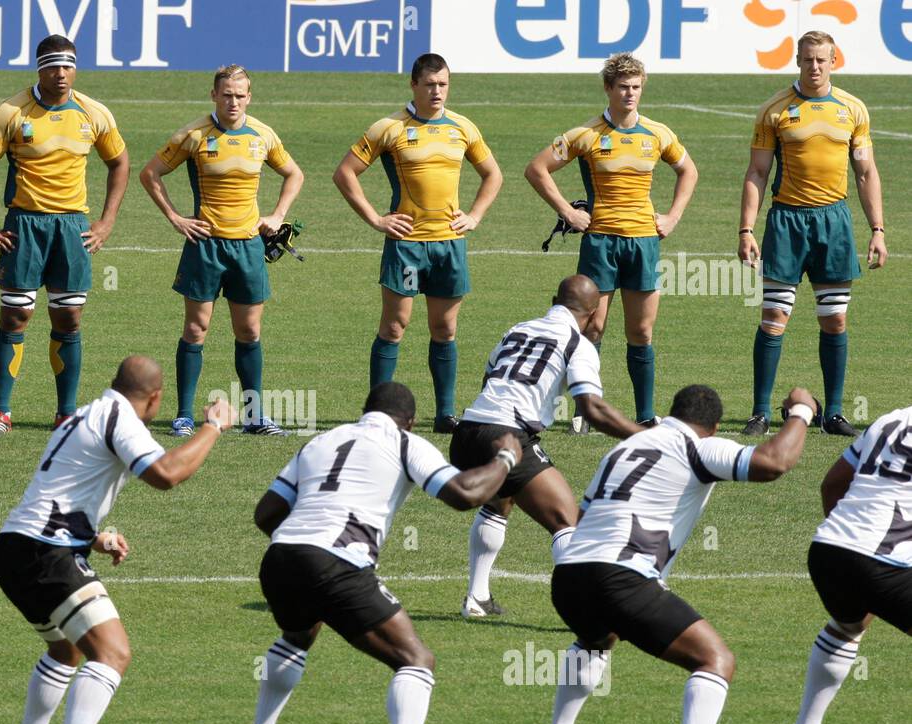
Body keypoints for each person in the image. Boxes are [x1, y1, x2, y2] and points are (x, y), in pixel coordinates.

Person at [243, 381, 522, 724]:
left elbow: (266, 514)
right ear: (408, 420)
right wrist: (505, 458)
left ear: (364, 409)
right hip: (335, 561)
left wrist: (305, 541)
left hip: (280, 558)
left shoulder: (322, 440)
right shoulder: (406, 442)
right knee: (416, 659)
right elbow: (465, 494)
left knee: (299, 634)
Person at [541, 384, 811, 724]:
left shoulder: (626, 447)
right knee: (715, 660)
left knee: (597, 637)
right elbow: (774, 462)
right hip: (621, 575)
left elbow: (584, 513)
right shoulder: (699, 446)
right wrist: (802, 413)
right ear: (714, 426)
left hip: (570, 575)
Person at [0, 356, 234, 724]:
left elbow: (62, 485)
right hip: (45, 553)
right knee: (113, 652)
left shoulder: (88, 412)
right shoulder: (121, 418)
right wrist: (212, 427)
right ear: (156, 397)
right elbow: (166, 476)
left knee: (65, 650)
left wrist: (94, 537)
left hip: (15, 546)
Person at [0, 34, 129, 436]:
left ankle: (66, 413)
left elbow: (120, 162)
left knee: (69, 317)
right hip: (24, 225)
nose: (61, 74)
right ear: (39, 68)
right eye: (53, 66)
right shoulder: (10, 111)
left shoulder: (93, 113)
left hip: (73, 227)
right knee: (16, 314)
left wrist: (106, 222)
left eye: (68, 65)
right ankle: (1, 411)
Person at [525, 52, 697, 429]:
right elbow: (536, 169)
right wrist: (568, 213)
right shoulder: (585, 134)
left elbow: (688, 170)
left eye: (636, 87)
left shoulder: (658, 134)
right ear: (608, 88)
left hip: (643, 243)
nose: (630, 94)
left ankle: (646, 414)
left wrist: (673, 216)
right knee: (593, 328)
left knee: (641, 331)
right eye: (622, 87)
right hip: (600, 242)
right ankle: (585, 411)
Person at [453, 275, 641, 619]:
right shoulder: (577, 343)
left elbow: (489, 379)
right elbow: (592, 408)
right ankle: (585, 613)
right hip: (506, 434)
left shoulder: (518, 329)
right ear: (595, 311)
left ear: (554, 298)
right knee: (568, 521)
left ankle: (477, 599)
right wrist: (639, 435)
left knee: (501, 501)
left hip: (468, 431)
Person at [333, 53, 502, 433]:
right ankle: (376, 414)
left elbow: (493, 174)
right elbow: (344, 173)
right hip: (407, 245)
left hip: (449, 246)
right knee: (395, 326)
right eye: (429, 84)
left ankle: (445, 414)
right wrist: (377, 218)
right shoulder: (389, 128)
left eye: (443, 84)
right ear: (414, 85)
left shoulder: (462, 128)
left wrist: (473, 216)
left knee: (445, 330)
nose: (437, 91)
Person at [139, 64, 304, 437]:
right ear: (214, 95)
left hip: (247, 247)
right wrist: (176, 218)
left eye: (240, 95)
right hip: (205, 246)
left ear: (250, 97)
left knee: (249, 332)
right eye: (226, 94)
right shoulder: (193, 134)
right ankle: (183, 414)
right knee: (196, 330)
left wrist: (277, 215)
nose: (233, 101)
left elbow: (295, 173)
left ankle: (254, 415)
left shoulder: (263, 135)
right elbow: (150, 174)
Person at [739, 30, 886, 438]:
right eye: (807, 59)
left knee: (835, 320)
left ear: (834, 61)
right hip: (786, 222)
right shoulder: (775, 110)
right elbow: (756, 173)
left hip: (834, 224)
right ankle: (760, 412)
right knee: (773, 318)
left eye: (822, 60)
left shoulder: (852, 109)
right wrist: (746, 229)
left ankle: (835, 412)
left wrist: (877, 230)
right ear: (798, 60)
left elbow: (865, 172)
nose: (814, 66)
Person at [783, 404, 912, 724]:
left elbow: (834, 482)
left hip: (828, 551)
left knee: (849, 624)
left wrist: (850, 548)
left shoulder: (892, 419)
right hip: (879, 560)